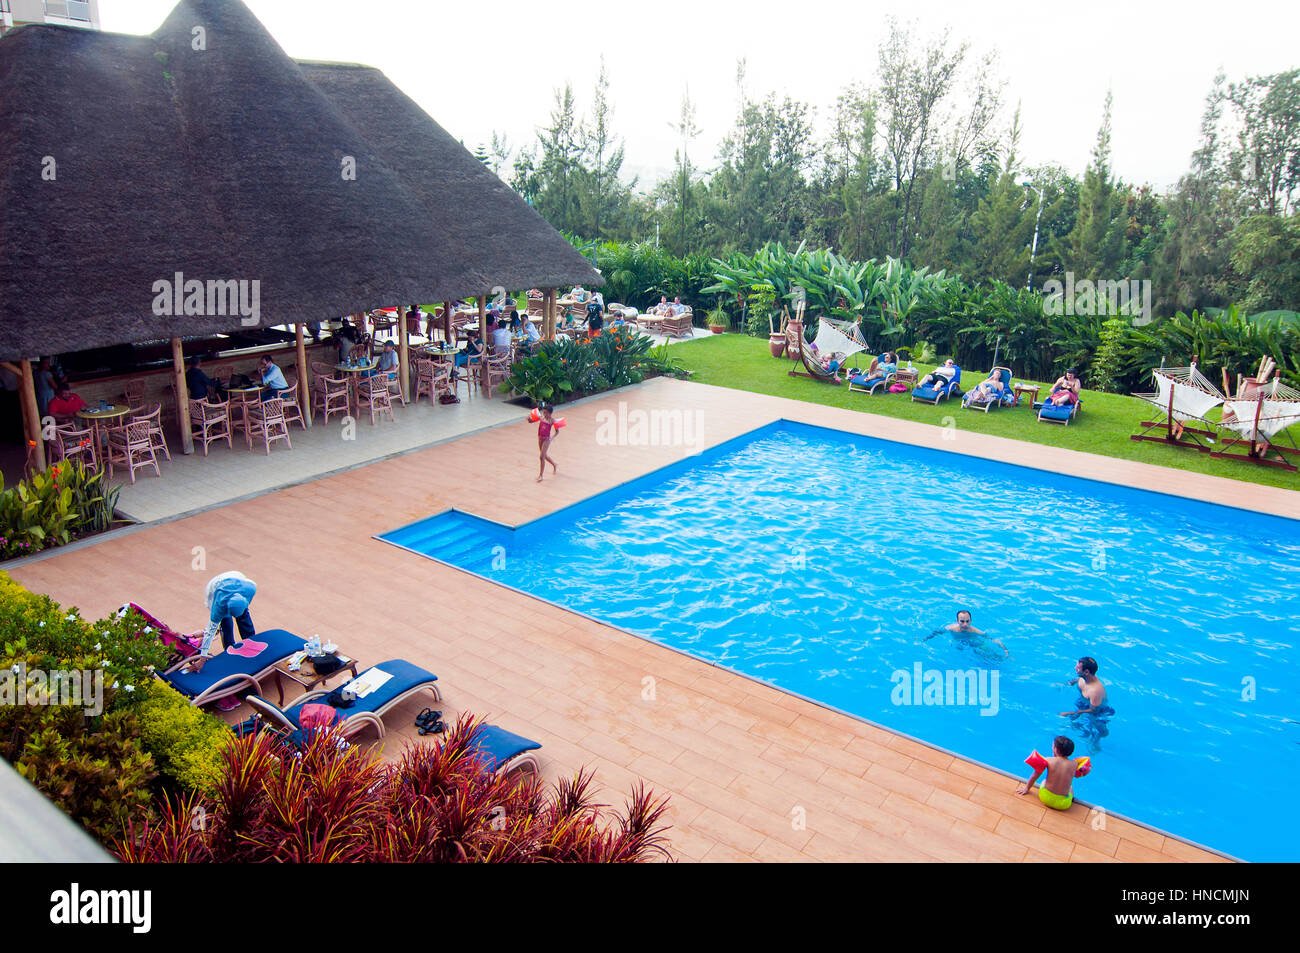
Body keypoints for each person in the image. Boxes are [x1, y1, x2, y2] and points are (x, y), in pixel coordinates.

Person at [1016, 735, 1091, 810]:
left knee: (1044, 781)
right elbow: (1077, 775)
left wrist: (1027, 788)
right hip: (1063, 804)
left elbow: (1035, 775)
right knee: (1071, 788)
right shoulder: (1074, 764)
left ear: (1056, 750)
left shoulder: (1049, 760)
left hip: (1045, 798)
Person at [926, 609, 1011, 658]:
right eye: (962, 621)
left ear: (970, 621)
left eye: (967, 621)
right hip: (960, 643)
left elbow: (994, 640)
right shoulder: (951, 628)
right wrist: (925, 639)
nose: (965, 624)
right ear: (957, 621)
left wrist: (1006, 650)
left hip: (975, 643)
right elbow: (937, 632)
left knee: (988, 655)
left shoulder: (976, 632)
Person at [536, 402, 559, 482]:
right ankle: (554, 464)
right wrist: (528, 419)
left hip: (546, 440)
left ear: (550, 413)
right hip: (540, 438)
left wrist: (552, 438)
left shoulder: (552, 421)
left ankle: (541, 475)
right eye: (543, 412)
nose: (544, 414)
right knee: (544, 456)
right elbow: (531, 421)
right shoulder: (541, 418)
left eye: (546, 413)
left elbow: (557, 431)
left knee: (541, 457)